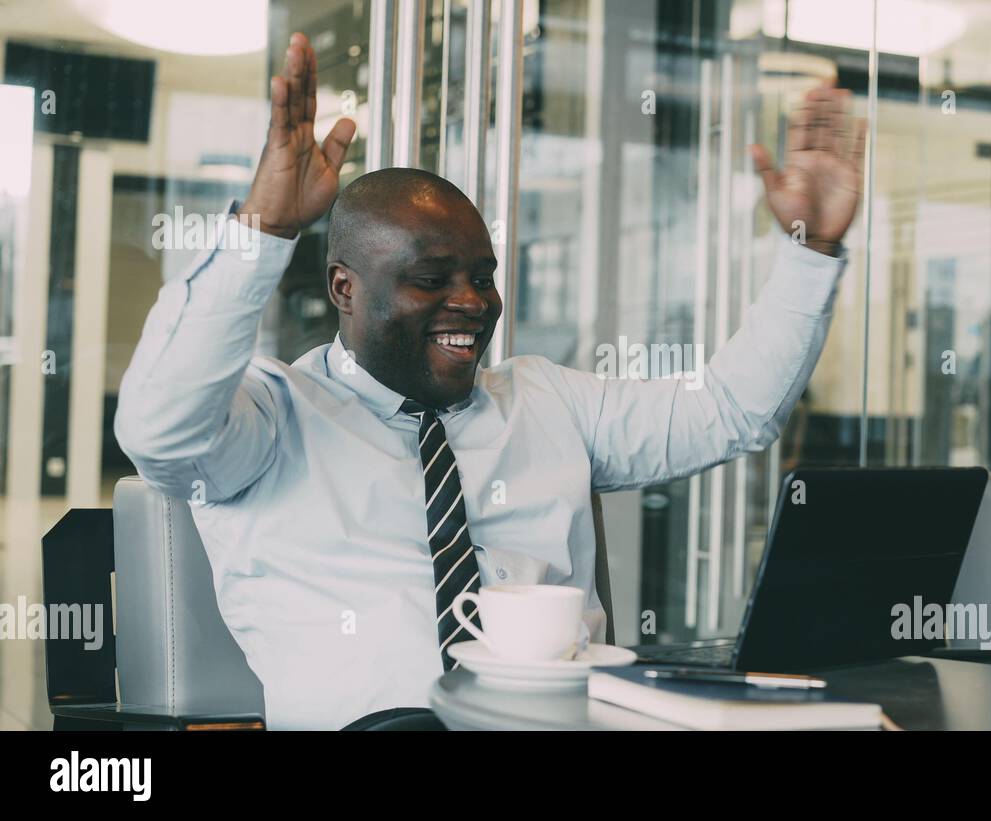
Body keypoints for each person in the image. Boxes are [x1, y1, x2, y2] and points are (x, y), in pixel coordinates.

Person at [114, 32, 865, 730]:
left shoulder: (545, 400)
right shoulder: (271, 419)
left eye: (483, 276)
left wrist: (814, 247)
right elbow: (160, 431)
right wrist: (264, 232)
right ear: (345, 287)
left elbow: (731, 410)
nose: (471, 303)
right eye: (431, 279)